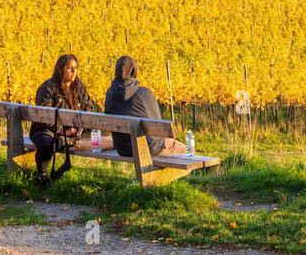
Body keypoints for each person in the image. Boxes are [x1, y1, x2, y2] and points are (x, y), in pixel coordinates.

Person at [30, 53, 108, 182]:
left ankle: (73, 142)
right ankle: (42, 175)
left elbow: (89, 108)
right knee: (46, 143)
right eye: (69, 68)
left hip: (75, 131)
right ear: (60, 69)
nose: (73, 71)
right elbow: (44, 117)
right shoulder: (48, 88)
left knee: (105, 133)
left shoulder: (79, 86)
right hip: (48, 130)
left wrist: (79, 128)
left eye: (75, 67)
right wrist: (63, 132)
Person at [103, 55, 188, 157]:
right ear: (134, 71)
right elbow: (158, 124)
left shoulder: (109, 94)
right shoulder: (145, 93)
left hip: (122, 149)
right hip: (148, 149)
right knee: (181, 147)